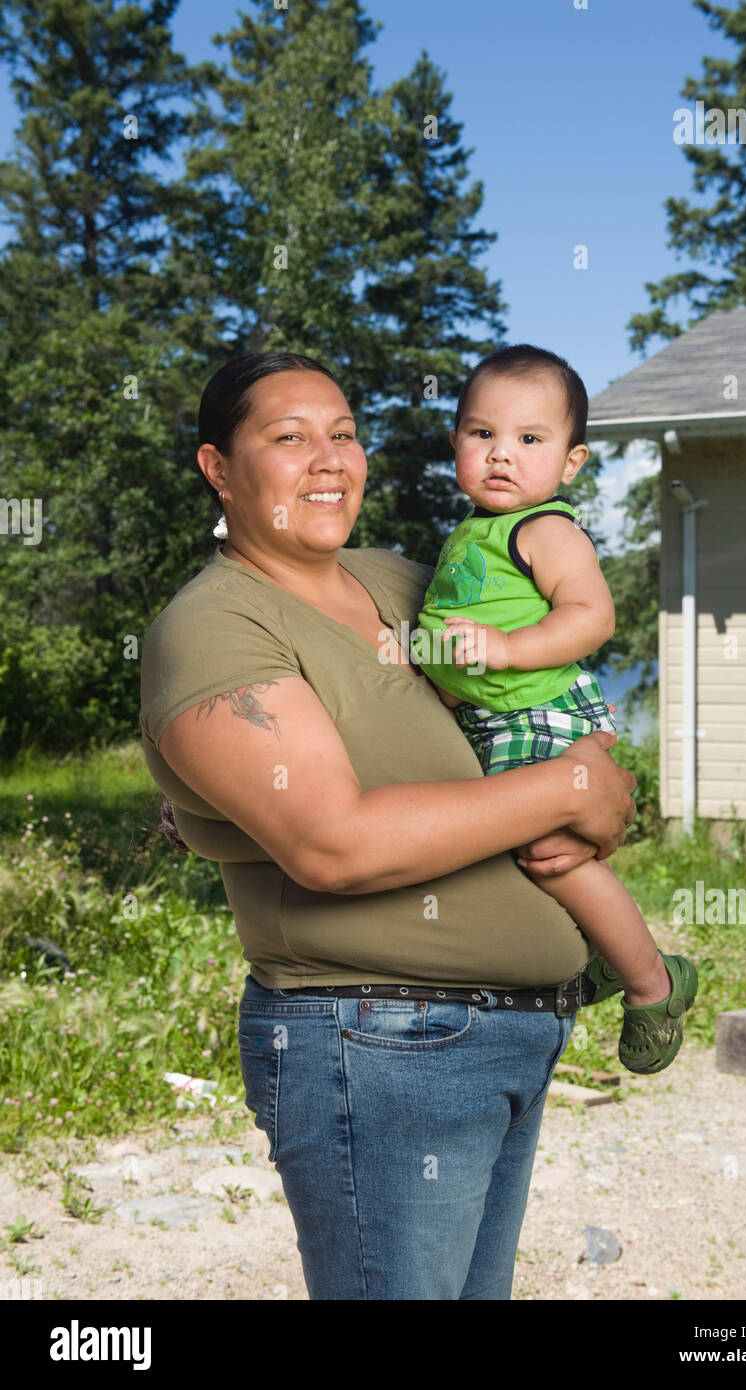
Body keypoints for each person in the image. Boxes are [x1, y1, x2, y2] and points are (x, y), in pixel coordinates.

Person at [140, 351, 637, 1301]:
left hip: (508, 1036)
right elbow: (334, 842)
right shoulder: (215, 626)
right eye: (288, 438)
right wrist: (568, 788)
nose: (329, 459)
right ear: (218, 468)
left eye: (345, 434)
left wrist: (596, 780)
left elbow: (546, 695)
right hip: (379, 1044)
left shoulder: (406, 581)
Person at [412, 345, 698, 1074]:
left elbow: (590, 617)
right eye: (482, 435)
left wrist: (507, 649)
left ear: (571, 464)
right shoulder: (469, 535)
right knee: (516, 851)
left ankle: (653, 984)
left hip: (542, 712)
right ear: (456, 444)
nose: (502, 455)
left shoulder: (544, 529)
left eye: (530, 440)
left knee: (550, 857)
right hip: (495, 717)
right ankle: (600, 959)